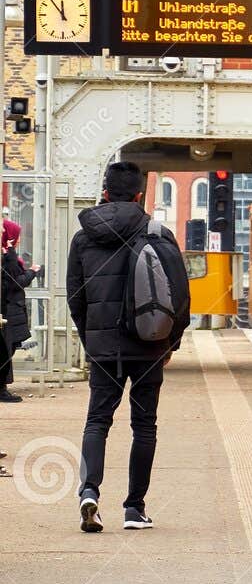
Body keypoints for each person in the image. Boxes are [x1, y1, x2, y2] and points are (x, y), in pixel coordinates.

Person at [67, 161, 191, 533]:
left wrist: (91, 340)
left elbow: (76, 298)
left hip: (104, 347)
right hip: (149, 345)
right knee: (144, 426)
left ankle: (89, 491)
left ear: (105, 192)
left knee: (97, 421)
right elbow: (181, 297)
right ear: (141, 195)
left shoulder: (83, 237)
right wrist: (171, 342)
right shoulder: (158, 232)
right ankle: (134, 509)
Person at [1, 219, 41, 403]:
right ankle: (2, 390)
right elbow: (16, 281)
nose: (17, 240)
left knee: (8, 350)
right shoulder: (7, 256)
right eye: (15, 236)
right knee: (6, 350)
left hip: (11, 310)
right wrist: (32, 272)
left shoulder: (8, 254)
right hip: (8, 311)